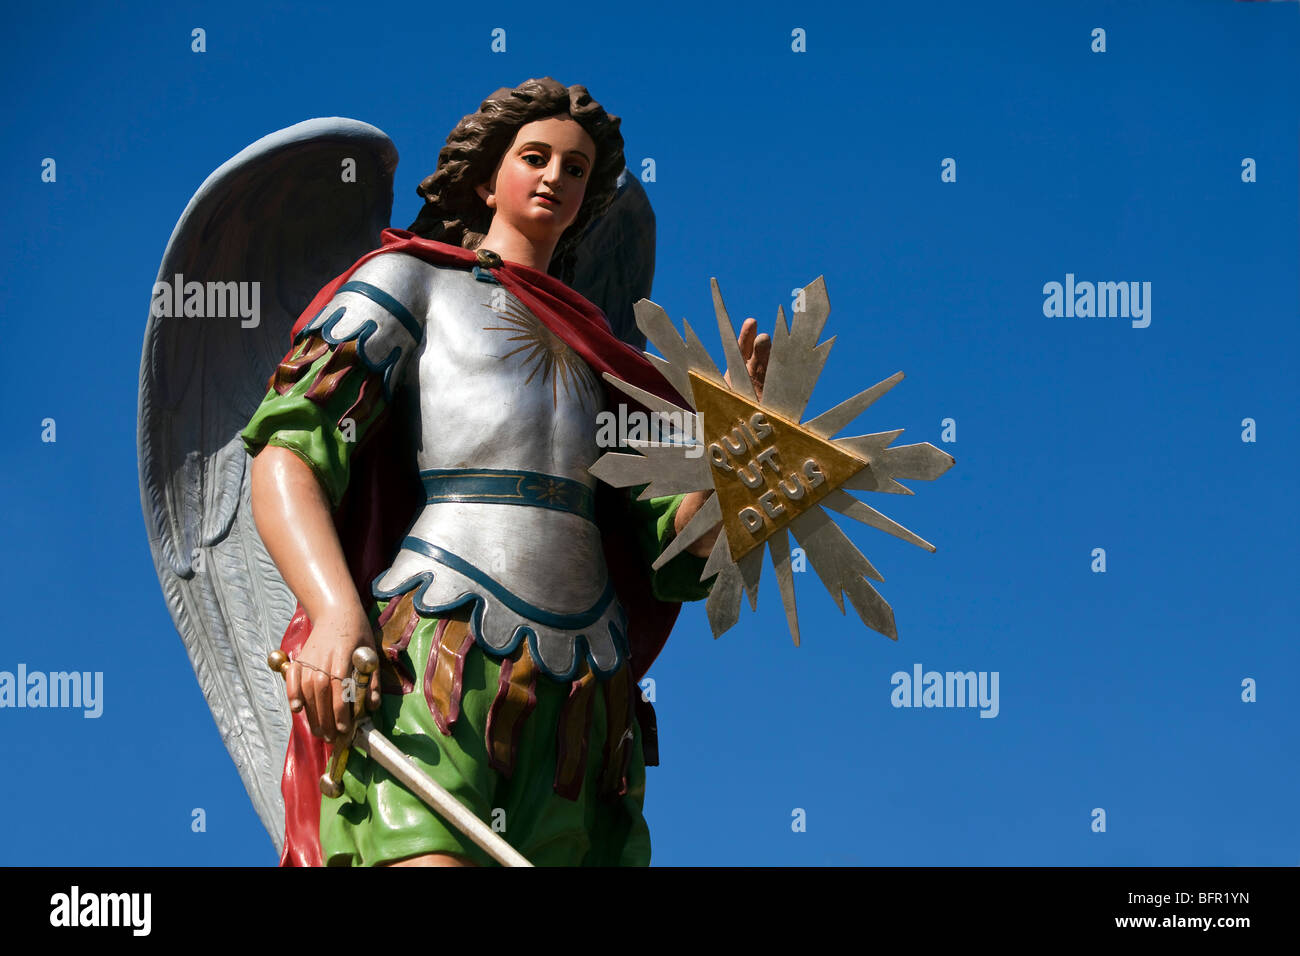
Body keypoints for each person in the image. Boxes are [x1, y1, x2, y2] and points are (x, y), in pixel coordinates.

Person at [241, 77, 769, 867]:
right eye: (536, 157)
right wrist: (332, 610)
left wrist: (737, 457)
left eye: (578, 168)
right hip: (440, 646)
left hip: (589, 695)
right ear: (488, 178)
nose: (557, 176)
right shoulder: (408, 283)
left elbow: (676, 550)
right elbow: (292, 448)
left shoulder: (609, 363)